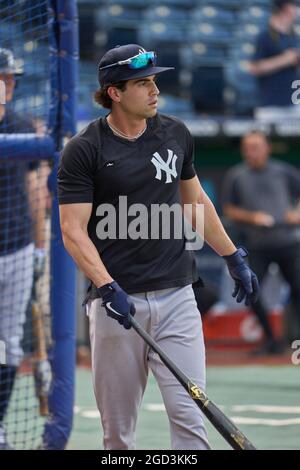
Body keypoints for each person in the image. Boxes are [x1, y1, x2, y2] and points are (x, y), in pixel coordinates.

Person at [58, 44, 259, 450]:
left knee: (190, 419)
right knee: (118, 434)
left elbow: (195, 202)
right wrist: (106, 285)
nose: (155, 91)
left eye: (155, 81)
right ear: (114, 92)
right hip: (117, 306)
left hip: (177, 296)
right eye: (143, 83)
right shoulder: (85, 149)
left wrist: (231, 255)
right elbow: (72, 230)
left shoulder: (175, 133)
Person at [0, 48, 47, 449]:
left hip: (15, 248)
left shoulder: (21, 125)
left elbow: (35, 190)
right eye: (4, 77)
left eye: (12, 78)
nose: (9, 84)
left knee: (8, 344)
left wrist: (39, 246)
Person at [222, 131, 300, 355]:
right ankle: (271, 340)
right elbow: (229, 209)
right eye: (247, 147)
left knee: (298, 288)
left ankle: (293, 337)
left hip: (288, 242)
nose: (251, 152)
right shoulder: (236, 175)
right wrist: (252, 217)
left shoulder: (283, 171)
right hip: (257, 244)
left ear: (267, 148)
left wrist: (296, 213)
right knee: (250, 290)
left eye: (256, 147)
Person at [248, 0, 300, 121]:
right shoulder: (265, 37)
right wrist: (284, 60)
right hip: (271, 107)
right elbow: (253, 68)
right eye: (294, 6)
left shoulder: (294, 37)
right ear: (286, 9)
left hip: (294, 103)